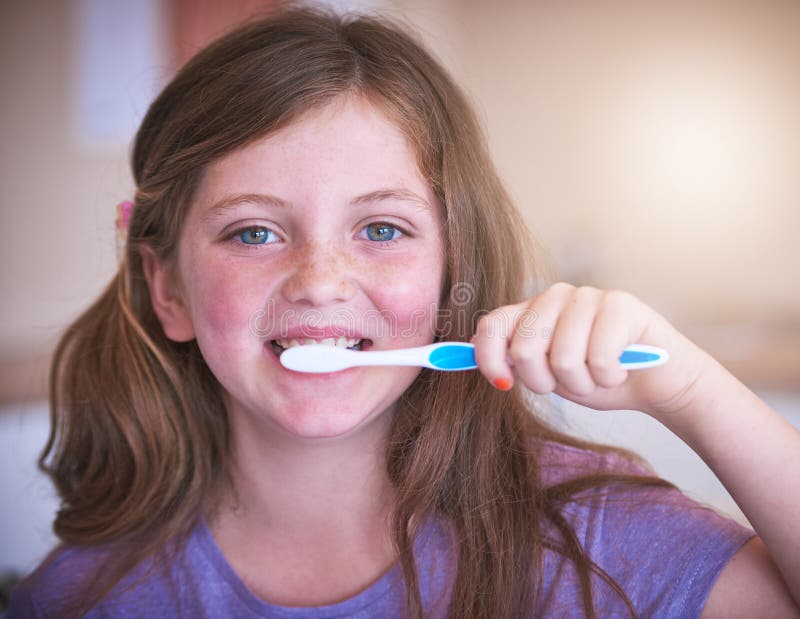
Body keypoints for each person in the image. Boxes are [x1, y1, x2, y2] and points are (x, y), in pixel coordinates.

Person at [7, 6, 800, 618]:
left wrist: (692, 392)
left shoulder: (593, 541)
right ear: (168, 290)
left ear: (453, 271)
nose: (320, 281)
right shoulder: (84, 597)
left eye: (382, 229)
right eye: (254, 232)